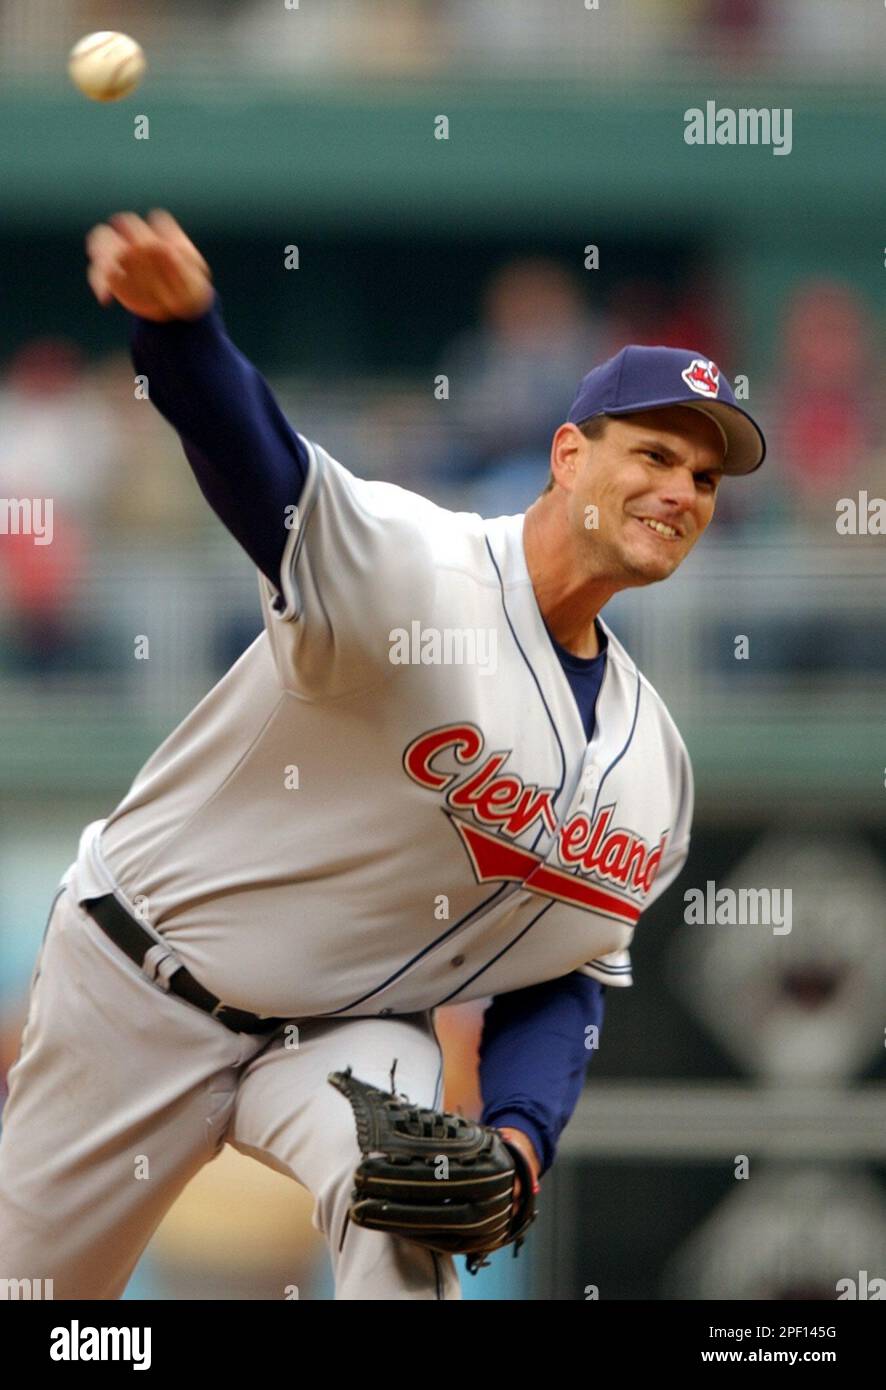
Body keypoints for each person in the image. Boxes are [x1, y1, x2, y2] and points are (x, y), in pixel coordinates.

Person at [0, 211, 765, 1301]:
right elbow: (258, 472)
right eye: (652, 452)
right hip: (139, 984)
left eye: (703, 477)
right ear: (564, 454)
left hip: (344, 1035)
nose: (680, 492)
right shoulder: (418, 567)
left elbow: (562, 980)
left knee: (406, 1189)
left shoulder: (654, 771)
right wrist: (182, 334)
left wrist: (517, 1140)